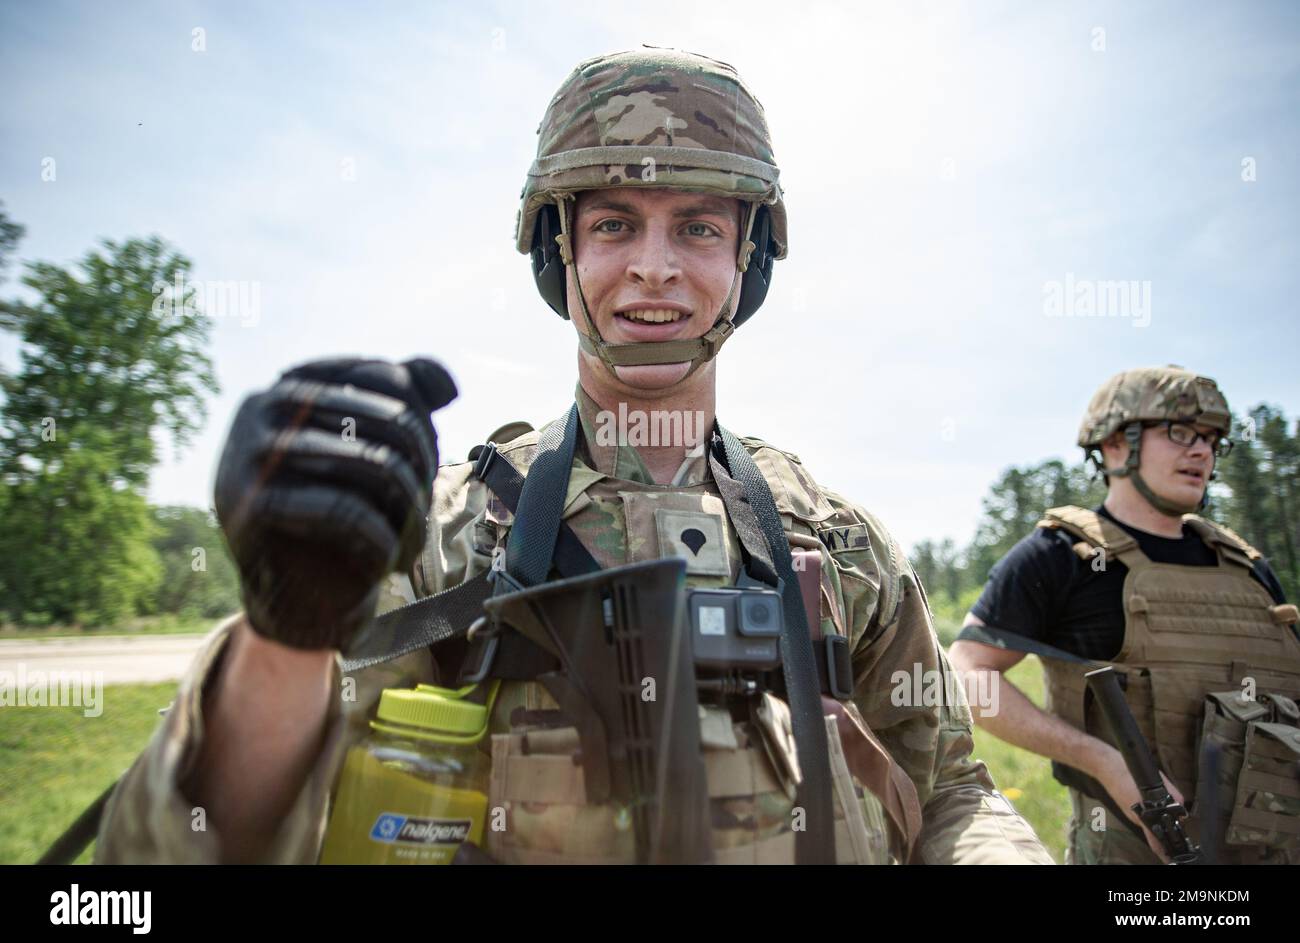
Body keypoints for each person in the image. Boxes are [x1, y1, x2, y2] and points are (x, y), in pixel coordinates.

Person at [94, 45, 1049, 865]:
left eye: (699, 227)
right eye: (614, 224)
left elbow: (952, 790)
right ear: (560, 253)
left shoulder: (837, 542)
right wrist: (286, 633)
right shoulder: (442, 536)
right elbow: (187, 845)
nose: (654, 267)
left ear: (748, 262)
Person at [950, 366, 1300, 864]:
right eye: (1180, 432)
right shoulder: (1061, 555)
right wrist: (1105, 763)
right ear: (1115, 444)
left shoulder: (1247, 566)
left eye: (1210, 439)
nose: (1201, 451)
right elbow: (967, 672)